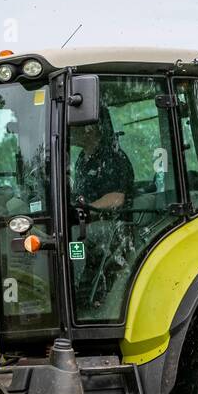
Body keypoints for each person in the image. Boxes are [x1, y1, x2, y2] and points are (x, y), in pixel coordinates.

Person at [68, 105, 133, 313]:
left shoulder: (113, 158)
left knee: (71, 238)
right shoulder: (81, 160)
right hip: (87, 220)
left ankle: (73, 296)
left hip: (114, 225)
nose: (69, 130)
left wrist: (89, 208)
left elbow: (117, 198)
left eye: (73, 124)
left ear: (90, 127)